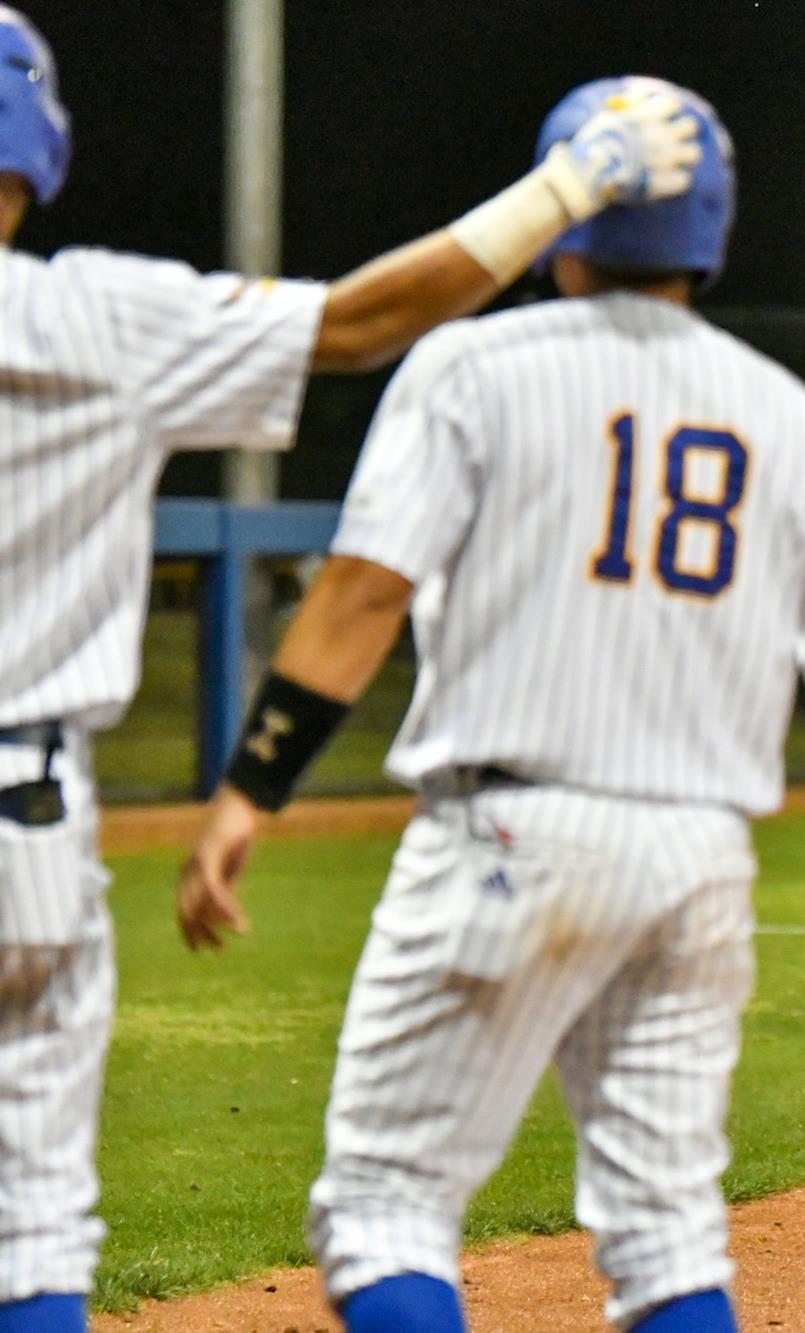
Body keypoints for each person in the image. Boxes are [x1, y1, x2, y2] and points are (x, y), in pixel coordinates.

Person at [171, 79, 805, 1333]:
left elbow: (360, 596)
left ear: (561, 210)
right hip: (696, 863)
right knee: (664, 1238)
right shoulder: (797, 422)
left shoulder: (469, 365)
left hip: (506, 836)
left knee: (384, 1208)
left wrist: (248, 788)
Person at [0, 11, 707, 1326]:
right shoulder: (90, 310)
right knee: (26, 1228)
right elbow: (362, 320)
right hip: (19, 830)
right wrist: (565, 189)